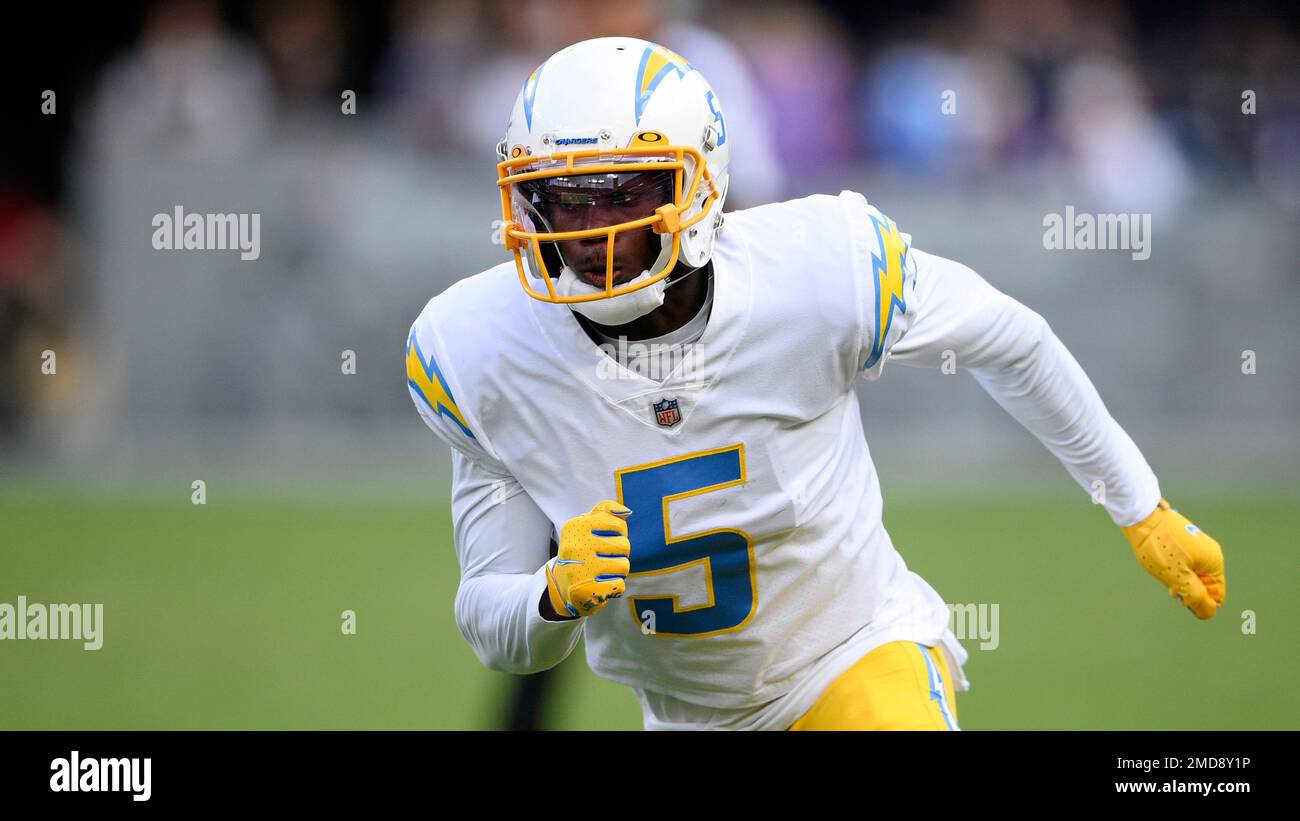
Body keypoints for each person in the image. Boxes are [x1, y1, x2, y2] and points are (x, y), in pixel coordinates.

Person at [405, 37, 1226, 730]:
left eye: (623, 191)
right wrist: (551, 598)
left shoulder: (819, 269)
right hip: (688, 713)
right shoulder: (477, 350)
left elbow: (1011, 339)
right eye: (563, 199)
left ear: (699, 185)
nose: (595, 230)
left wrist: (1138, 503)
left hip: (854, 652)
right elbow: (493, 622)